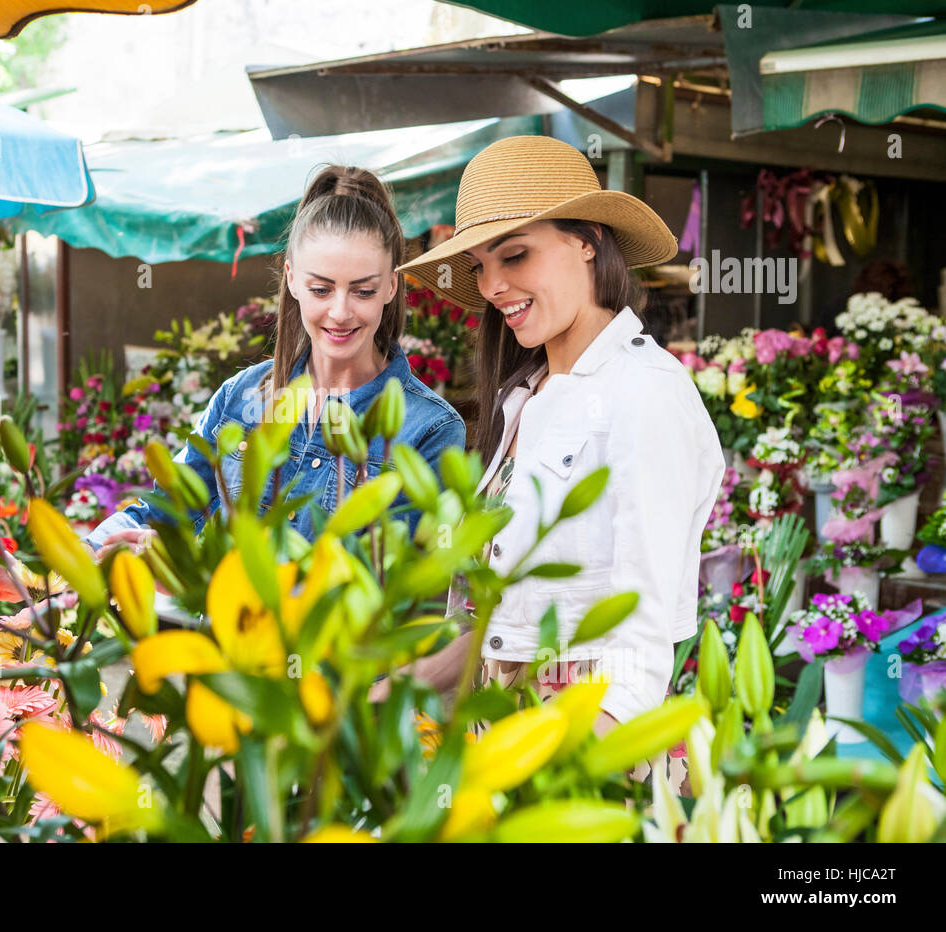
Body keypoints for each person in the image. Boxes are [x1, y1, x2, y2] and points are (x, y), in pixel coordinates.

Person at [389, 136, 724, 745]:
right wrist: (395, 686)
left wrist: (571, 756)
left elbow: (641, 626)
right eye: (479, 268)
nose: (492, 286)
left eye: (514, 256)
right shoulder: (527, 400)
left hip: (587, 740)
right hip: (501, 730)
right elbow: (491, 624)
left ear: (587, 241)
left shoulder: (644, 393)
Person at [82, 164, 468, 559]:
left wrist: (191, 570)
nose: (339, 312)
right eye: (320, 289)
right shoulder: (240, 397)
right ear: (292, 279)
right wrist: (72, 564)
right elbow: (163, 512)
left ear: (391, 285)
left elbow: (413, 592)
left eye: (363, 291)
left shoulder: (430, 429)